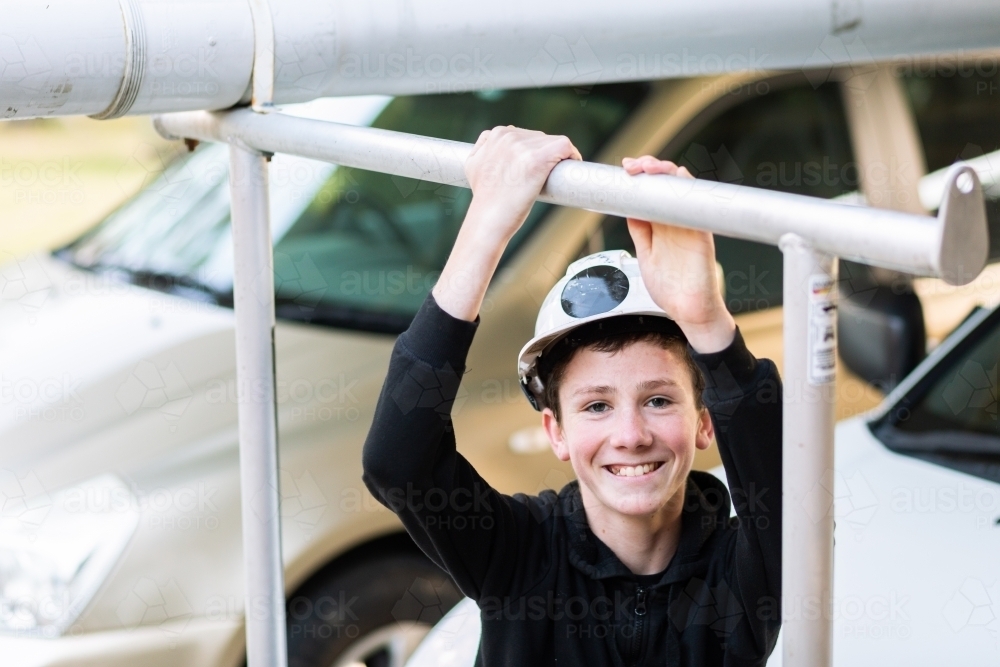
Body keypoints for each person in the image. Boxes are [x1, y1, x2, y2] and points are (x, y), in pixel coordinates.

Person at [362, 126, 782, 665]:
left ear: (706, 422)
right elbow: (398, 460)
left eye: (658, 400)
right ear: (555, 432)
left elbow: (792, 497)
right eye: (596, 406)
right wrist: (486, 225)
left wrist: (706, 319)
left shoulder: (743, 573)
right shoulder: (518, 553)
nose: (630, 436)